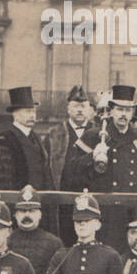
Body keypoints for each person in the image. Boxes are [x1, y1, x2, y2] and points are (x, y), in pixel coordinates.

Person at [77, 86, 137, 255]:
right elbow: (74, 173)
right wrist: (93, 156)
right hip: (103, 209)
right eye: (119, 109)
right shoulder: (94, 136)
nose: (123, 114)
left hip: (133, 210)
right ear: (111, 110)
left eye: (128, 110)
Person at [0, 87, 53, 231]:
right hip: (17, 212)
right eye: (27, 111)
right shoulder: (5, 140)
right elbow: (2, 183)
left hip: (38, 211)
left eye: (34, 111)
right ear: (15, 115)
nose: (32, 115)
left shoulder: (36, 138)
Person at [45, 85, 96, 245]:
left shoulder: (100, 133)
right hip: (63, 201)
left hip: (92, 199)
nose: (79, 110)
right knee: (65, 240)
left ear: (90, 109)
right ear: (68, 108)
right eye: (75, 106)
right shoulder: (54, 134)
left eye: (83, 106)